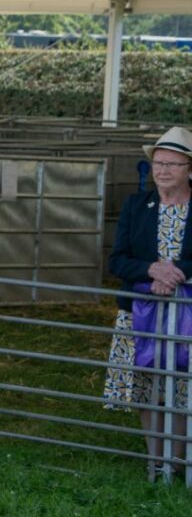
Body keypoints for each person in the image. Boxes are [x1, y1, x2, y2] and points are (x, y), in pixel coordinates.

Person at [103, 126, 192, 477]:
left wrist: (178, 273)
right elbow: (117, 261)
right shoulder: (136, 205)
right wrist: (150, 270)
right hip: (139, 313)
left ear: (189, 169)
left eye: (172, 163)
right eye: (158, 163)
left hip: (187, 313)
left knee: (185, 387)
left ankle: (180, 462)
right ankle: (157, 462)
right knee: (144, 385)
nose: (163, 170)